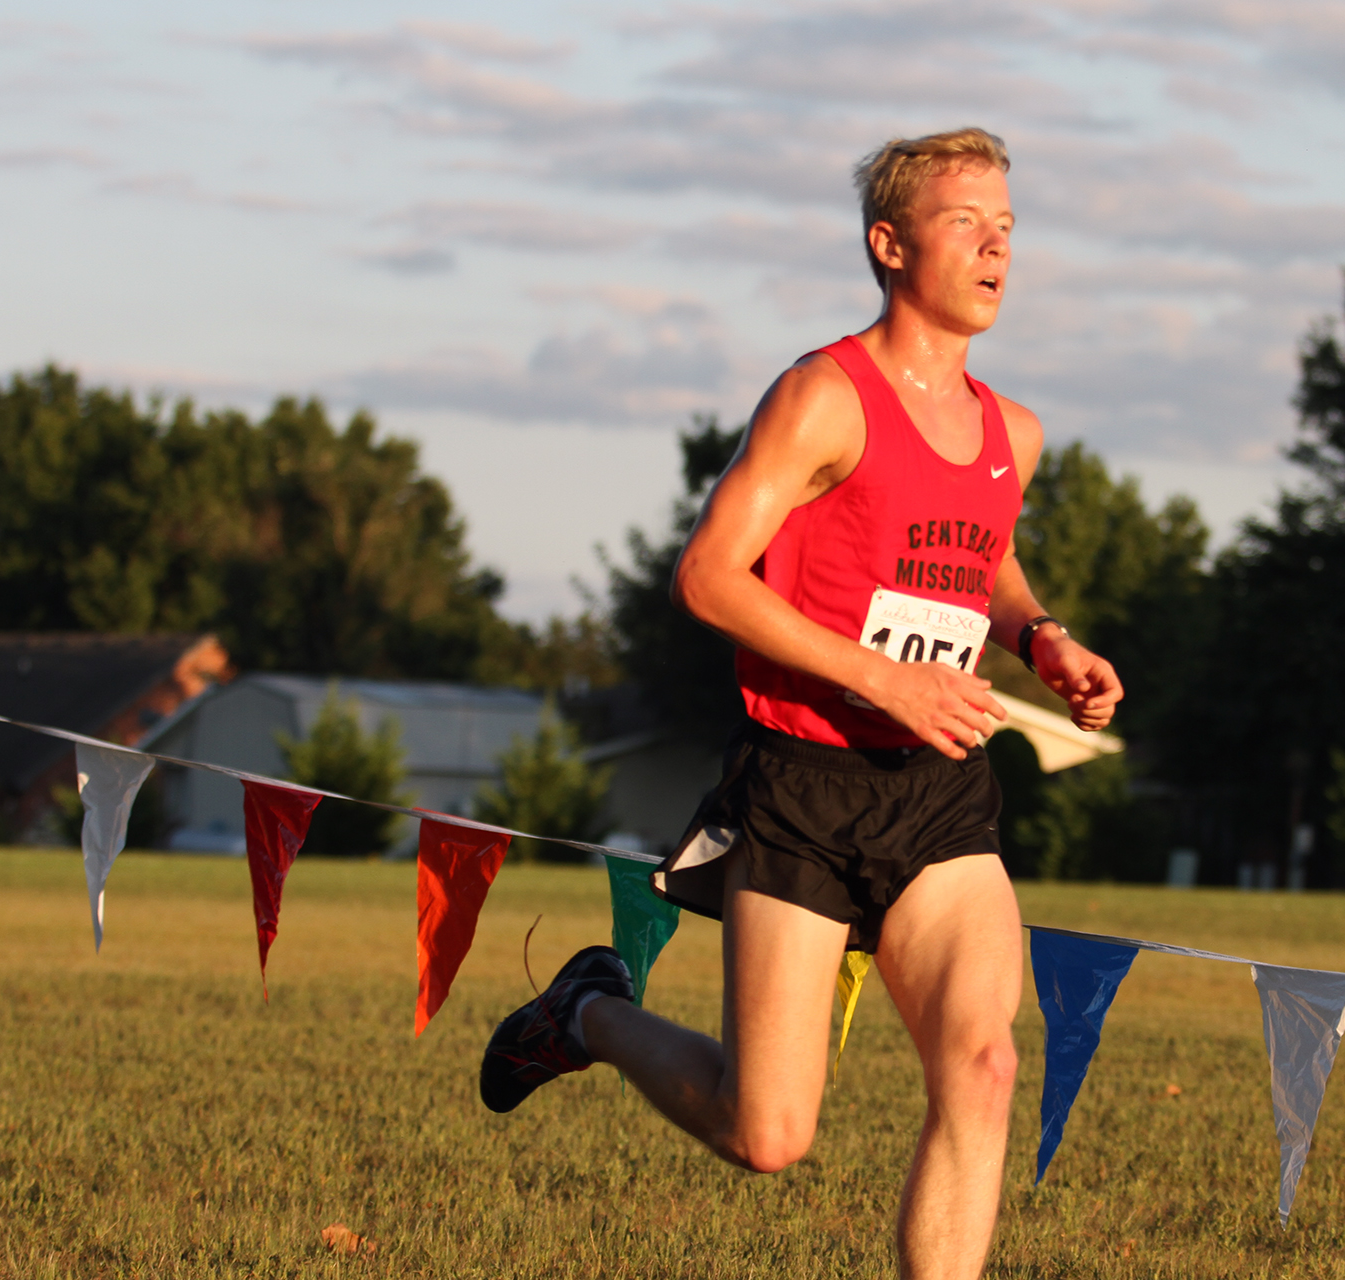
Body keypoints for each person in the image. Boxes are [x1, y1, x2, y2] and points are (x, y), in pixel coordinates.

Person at [479, 127, 1123, 1280]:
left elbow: (985, 556)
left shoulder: (1010, 432)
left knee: (984, 1068)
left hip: (938, 797)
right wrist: (883, 677)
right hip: (802, 789)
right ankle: (588, 1011)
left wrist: (1039, 636)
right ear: (889, 243)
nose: (996, 249)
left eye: (1009, 228)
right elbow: (709, 574)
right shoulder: (824, 397)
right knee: (766, 1132)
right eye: (966, 224)